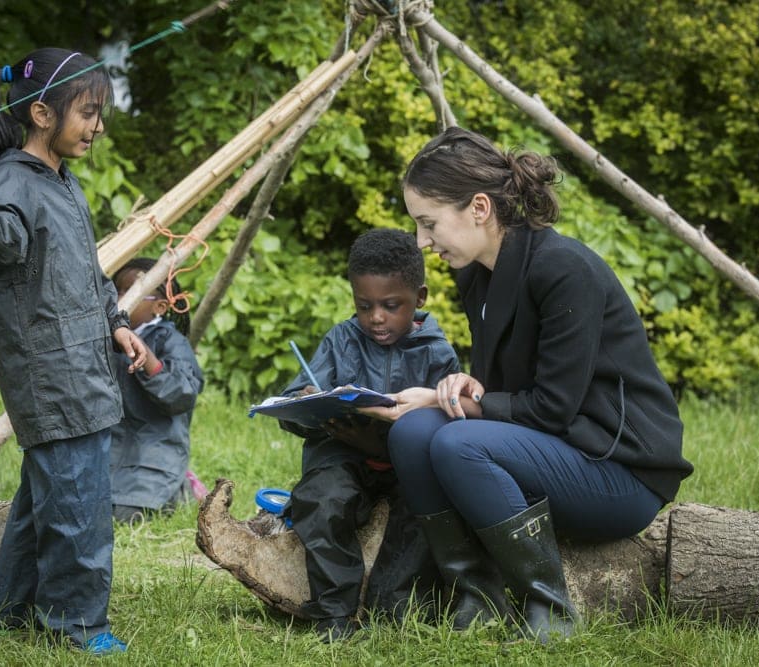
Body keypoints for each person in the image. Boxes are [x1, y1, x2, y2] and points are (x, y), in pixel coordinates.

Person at [362, 127, 693, 643]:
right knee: (413, 432)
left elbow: (551, 409)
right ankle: (475, 597)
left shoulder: (564, 269)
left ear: (478, 207)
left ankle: (550, 609)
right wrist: (461, 387)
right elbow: (506, 388)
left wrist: (455, 403)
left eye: (428, 224)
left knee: (455, 440)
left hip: (619, 470)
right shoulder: (479, 275)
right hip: (552, 450)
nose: (423, 243)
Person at [0, 47, 147, 655]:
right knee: (79, 507)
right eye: (88, 113)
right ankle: (77, 623)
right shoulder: (13, 177)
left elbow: (87, 272)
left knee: (47, 496)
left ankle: (11, 613)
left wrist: (116, 321)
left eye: (101, 114)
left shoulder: (61, 182)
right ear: (42, 112)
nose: (97, 127)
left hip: (80, 361)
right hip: (50, 368)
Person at [280, 228, 462, 642]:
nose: (376, 317)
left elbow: (446, 423)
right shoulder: (341, 340)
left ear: (420, 298)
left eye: (390, 305)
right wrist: (307, 402)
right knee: (319, 500)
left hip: (407, 464)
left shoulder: (438, 352)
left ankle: (398, 607)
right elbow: (293, 408)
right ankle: (333, 613)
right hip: (341, 457)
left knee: (425, 512)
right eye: (364, 306)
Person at [109, 258, 205, 525]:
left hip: (153, 452)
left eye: (131, 294)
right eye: (116, 292)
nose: (120, 300)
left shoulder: (169, 341)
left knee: (127, 516)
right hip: (111, 449)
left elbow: (182, 395)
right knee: (90, 509)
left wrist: (146, 358)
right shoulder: (106, 339)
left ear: (159, 307)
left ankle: (182, 489)